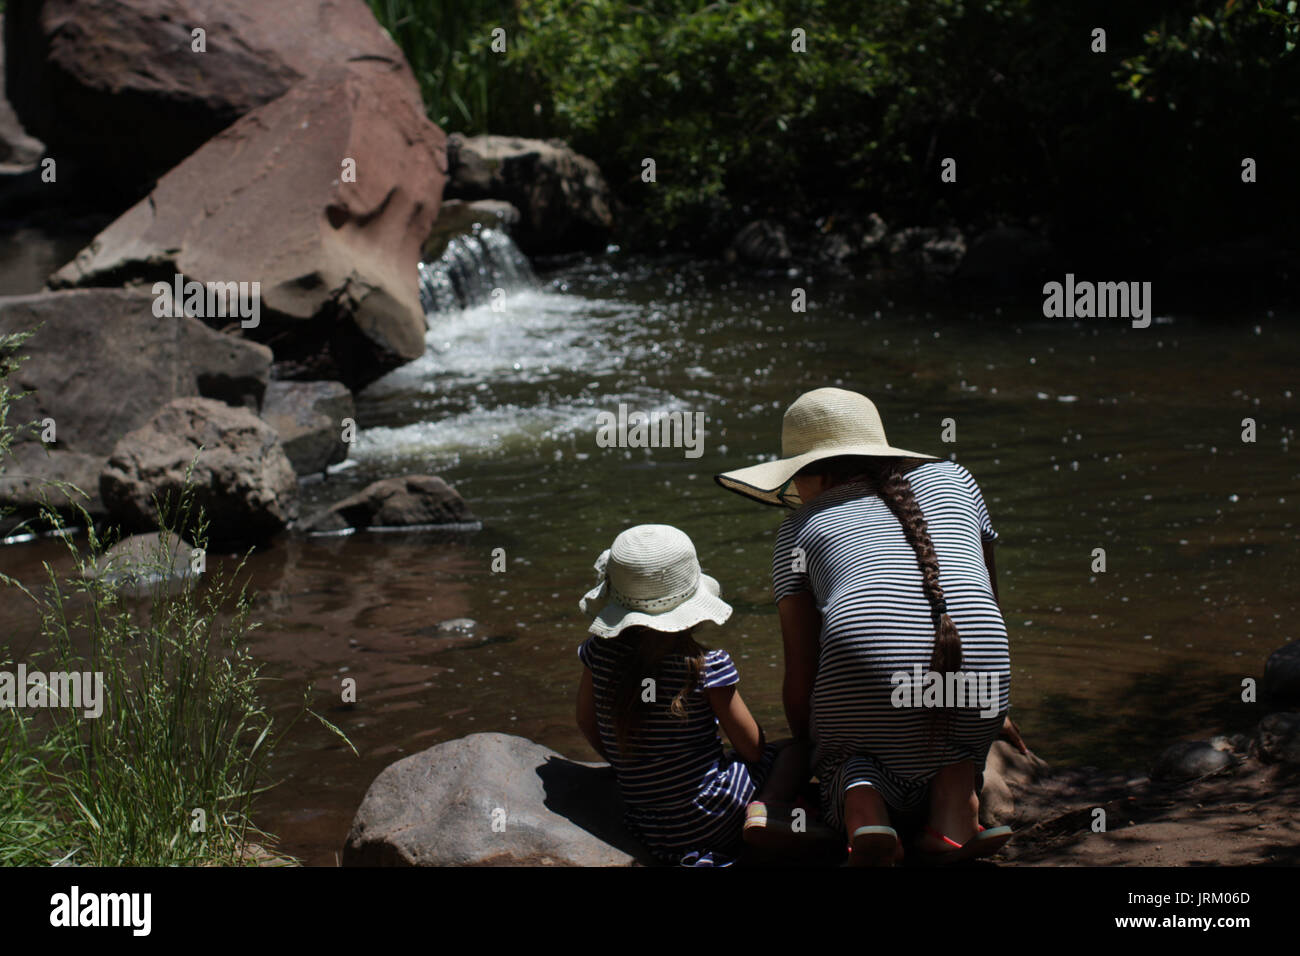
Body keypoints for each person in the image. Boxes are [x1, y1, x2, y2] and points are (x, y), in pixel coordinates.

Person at [716, 387, 1015, 866]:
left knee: (850, 757)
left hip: (869, 692)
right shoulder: (959, 479)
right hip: (983, 678)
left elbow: (802, 669)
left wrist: (814, 746)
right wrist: (995, 710)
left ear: (810, 475)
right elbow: (987, 607)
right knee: (957, 744)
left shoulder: (799, 527)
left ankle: (860, 802)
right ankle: (956, 800)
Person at [574, 524, 810, 866]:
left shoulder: (598, 653)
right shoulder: (706, 666)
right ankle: (763, 812)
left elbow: (586, 721)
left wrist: (629, 765)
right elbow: (753, 749)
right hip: (716, 814)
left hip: (652, 830)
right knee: (795, 750)